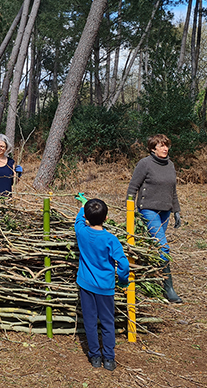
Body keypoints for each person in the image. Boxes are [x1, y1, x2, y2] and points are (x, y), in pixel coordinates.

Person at [74, 195, 130, 372]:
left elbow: (78, 219)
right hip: (105, 288)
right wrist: (123, 280)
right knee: (107, 322)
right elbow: (124, 264)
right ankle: (109, 359)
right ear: (106, 218)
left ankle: (95, 356)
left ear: (87, 217)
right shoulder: (110, 239)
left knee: (90, 321)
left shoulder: (81, 232)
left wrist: (83, 206)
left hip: (85, 285)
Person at [126, 134, 183, 303]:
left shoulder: (170, 165)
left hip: (165, 211)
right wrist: (129, 210)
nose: (165, 148)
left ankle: (152, 280)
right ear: (152, 148)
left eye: (166, 145)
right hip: (148, 210)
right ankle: (169, 289)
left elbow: (173, 191)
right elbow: (133, 187)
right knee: (163, 247)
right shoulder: (145, 164)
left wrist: (177, 211)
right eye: (161, 146)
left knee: (154, 248)